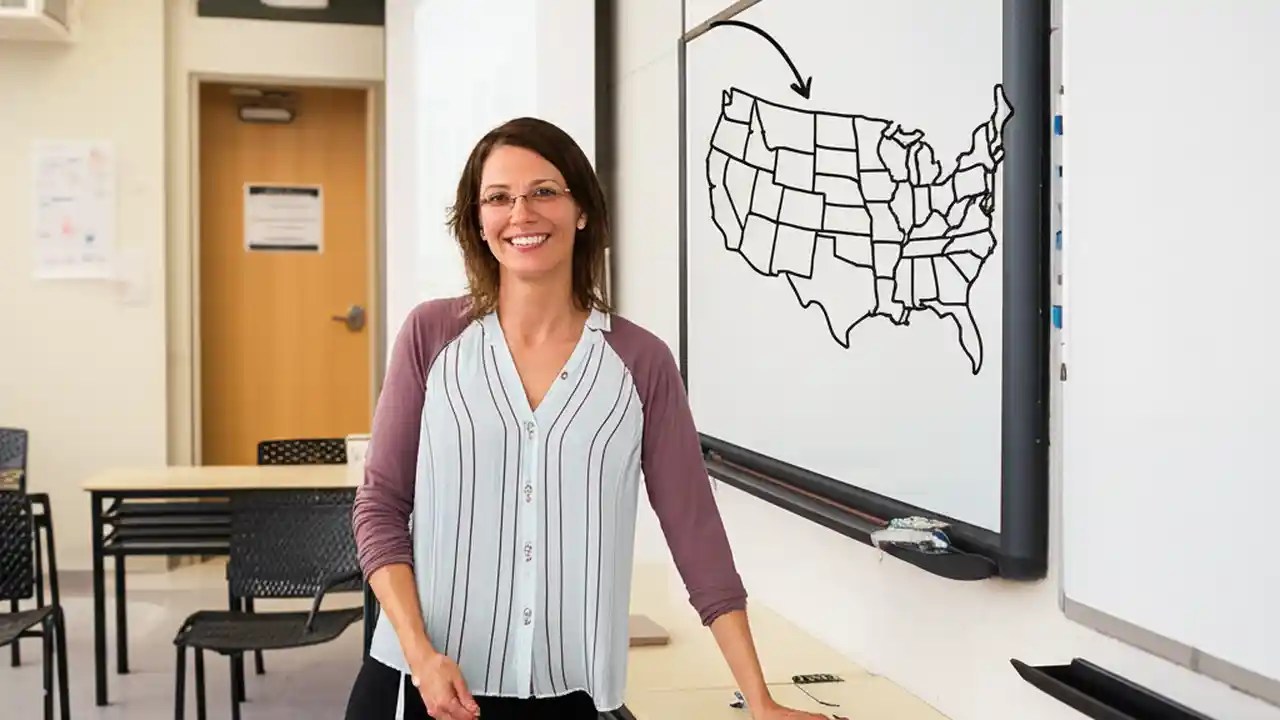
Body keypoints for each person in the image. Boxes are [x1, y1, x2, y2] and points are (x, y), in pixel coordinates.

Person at [344, 116, 830, 720]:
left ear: (581, 211)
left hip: (568, 694)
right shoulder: (431, 335)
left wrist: (759, 698)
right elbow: (380, 505)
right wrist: (419, 654)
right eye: (498, 197)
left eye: (544, 191)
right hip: (424, 685)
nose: (521, 213)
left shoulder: (641, 362)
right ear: (477, 220)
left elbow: (695, 532)